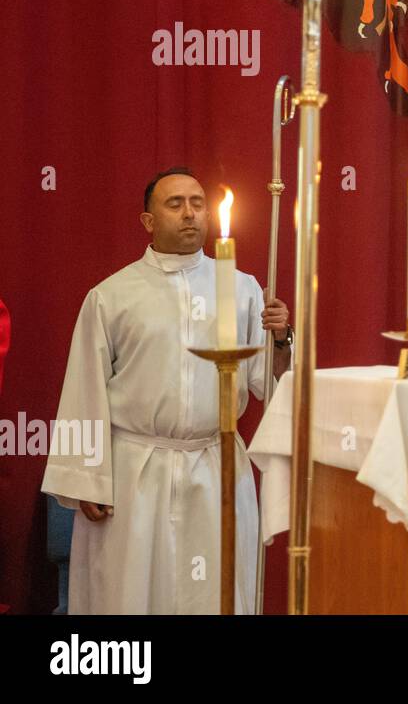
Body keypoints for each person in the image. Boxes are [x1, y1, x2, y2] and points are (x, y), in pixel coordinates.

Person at [41, 167, 292, 613]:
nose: (190, 213)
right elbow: (84, 387)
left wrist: (282, 341)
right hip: (136, 472)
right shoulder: (112, 296)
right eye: (175, 204)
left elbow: (268, 390)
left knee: (216, 590)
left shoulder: (243, 289)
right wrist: (87, 478)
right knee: (130, 593)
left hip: (216, 467)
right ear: (148, 221)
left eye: (198, 203)